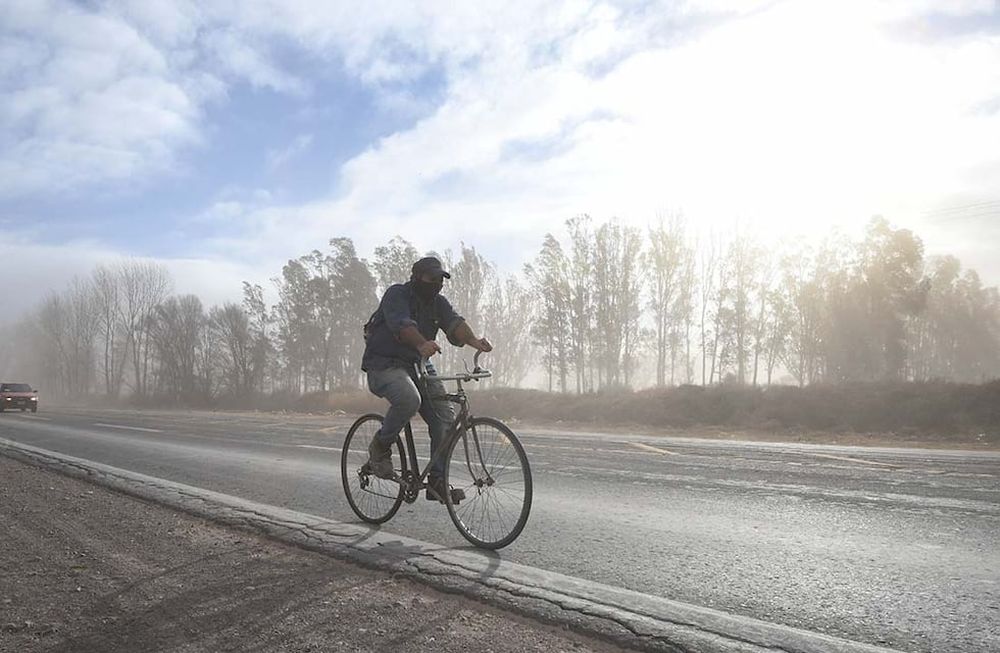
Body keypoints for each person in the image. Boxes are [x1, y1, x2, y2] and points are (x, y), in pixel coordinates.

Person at [361, 256, 492, 503]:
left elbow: (454, 324)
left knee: (445, 417)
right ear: (417, 277)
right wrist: (421, 343)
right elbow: (402, 325)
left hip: (418, 364)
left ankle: (437, 481)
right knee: (410, 399)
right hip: (384, 363)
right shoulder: (397, 295)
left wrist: (474, 341)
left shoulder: (437, 303)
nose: (437, 284)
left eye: (441, 279)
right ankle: (380, 447)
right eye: (432, 278)